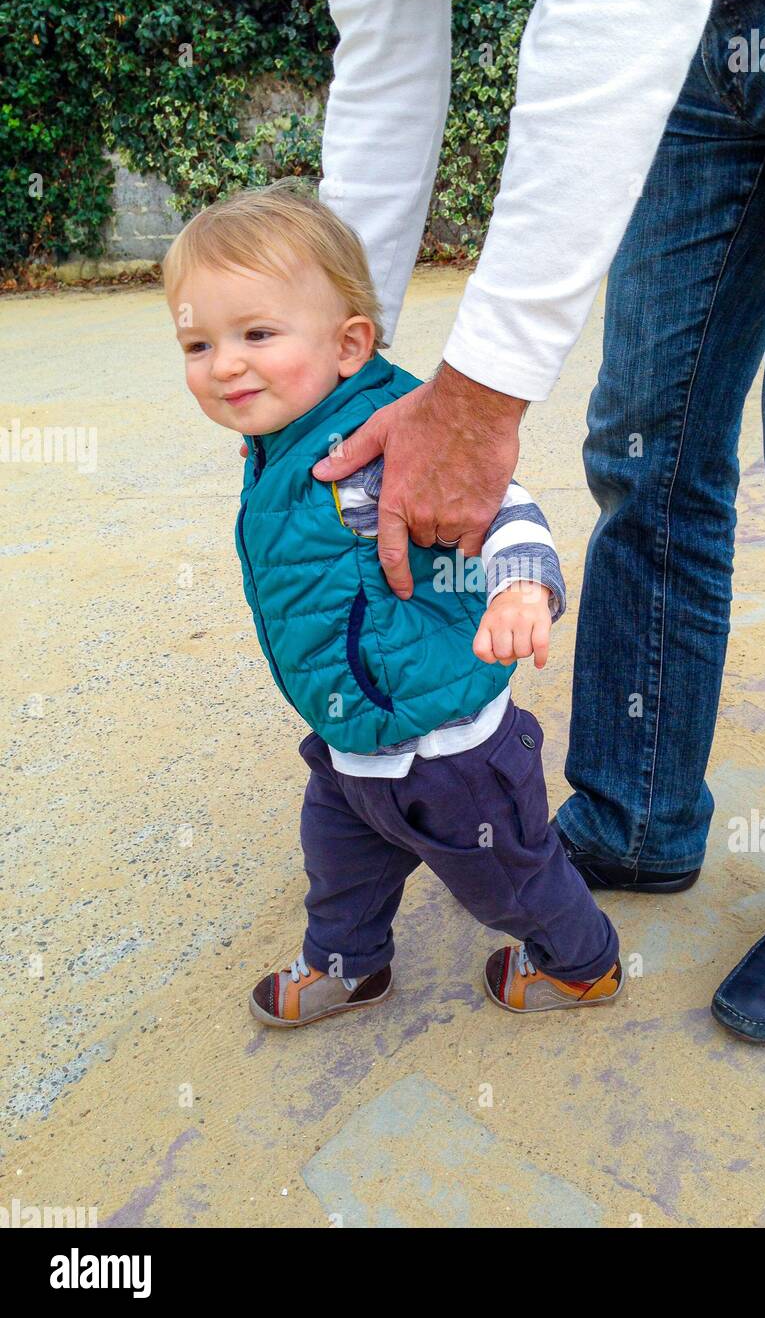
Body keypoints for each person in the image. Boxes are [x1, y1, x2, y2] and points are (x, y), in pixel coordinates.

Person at [311, 0, 765, 1041]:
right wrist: (323, 375)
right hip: (690, 7)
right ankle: (631, 817)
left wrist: (476, 399)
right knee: (640, 449)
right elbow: (386, 58)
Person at [162, 180, 623, 1023]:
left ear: (349, 346)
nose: (224, 364)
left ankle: (581, 961)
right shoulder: (280, 441)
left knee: (513, 877)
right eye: (198, 343)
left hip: (447, 752)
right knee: (340, 866)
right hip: (352, 737)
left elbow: (505, 501)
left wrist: (522, 585)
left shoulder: (374, 441)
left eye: (257, 334)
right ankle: (348, 964)